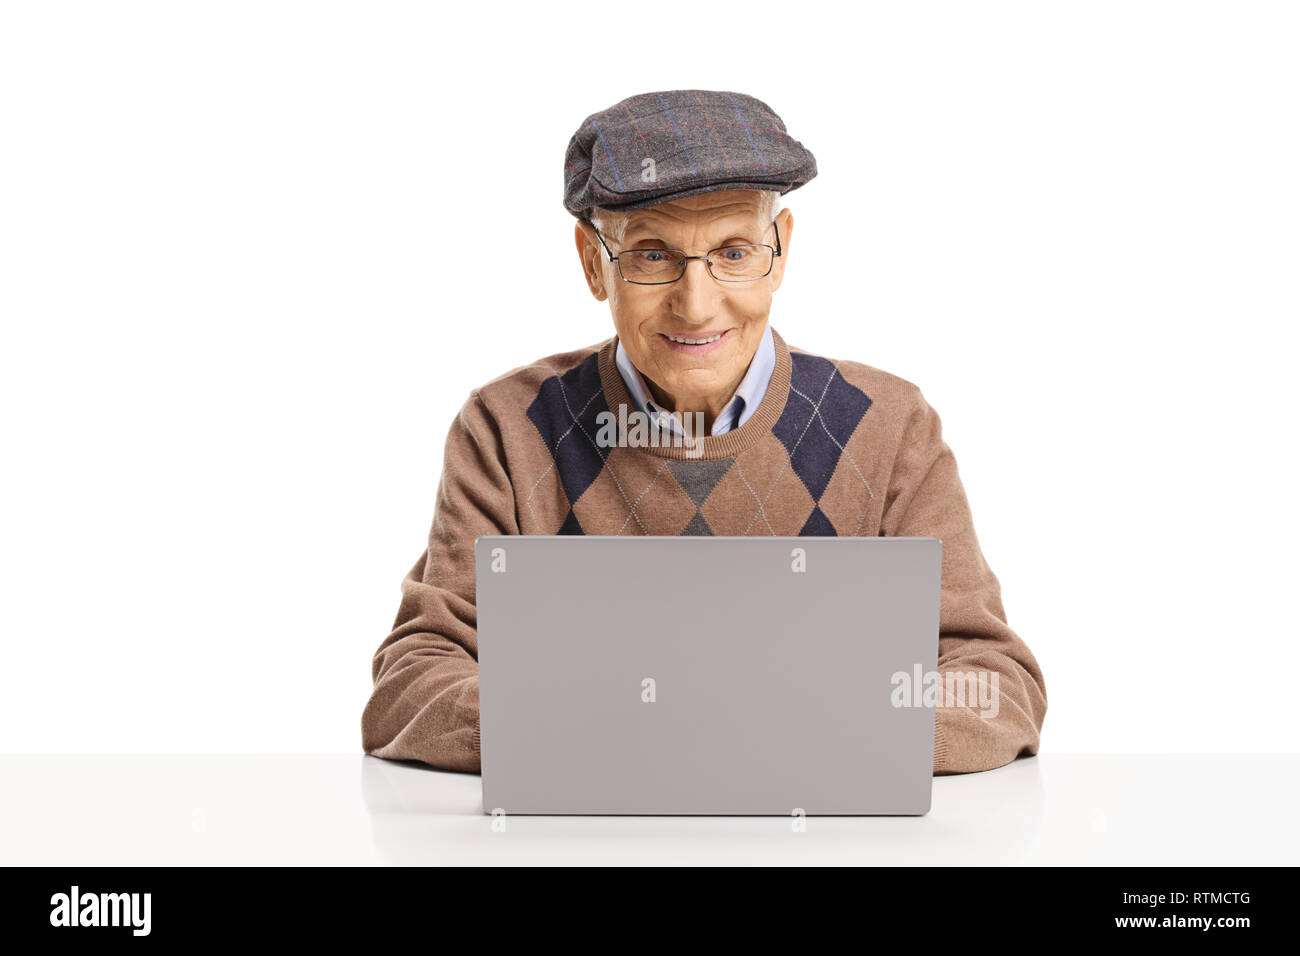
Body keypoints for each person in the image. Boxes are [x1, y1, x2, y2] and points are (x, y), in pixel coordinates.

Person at [361, 89, 1047, 775]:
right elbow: (411, 686)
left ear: (779, 253)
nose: (696, 304)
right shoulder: (507, 431)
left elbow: (994, 686)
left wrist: (768, 735)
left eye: (734, 251)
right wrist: (641, 736)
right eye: (653, 255)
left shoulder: (888, 428)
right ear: (593, 263)